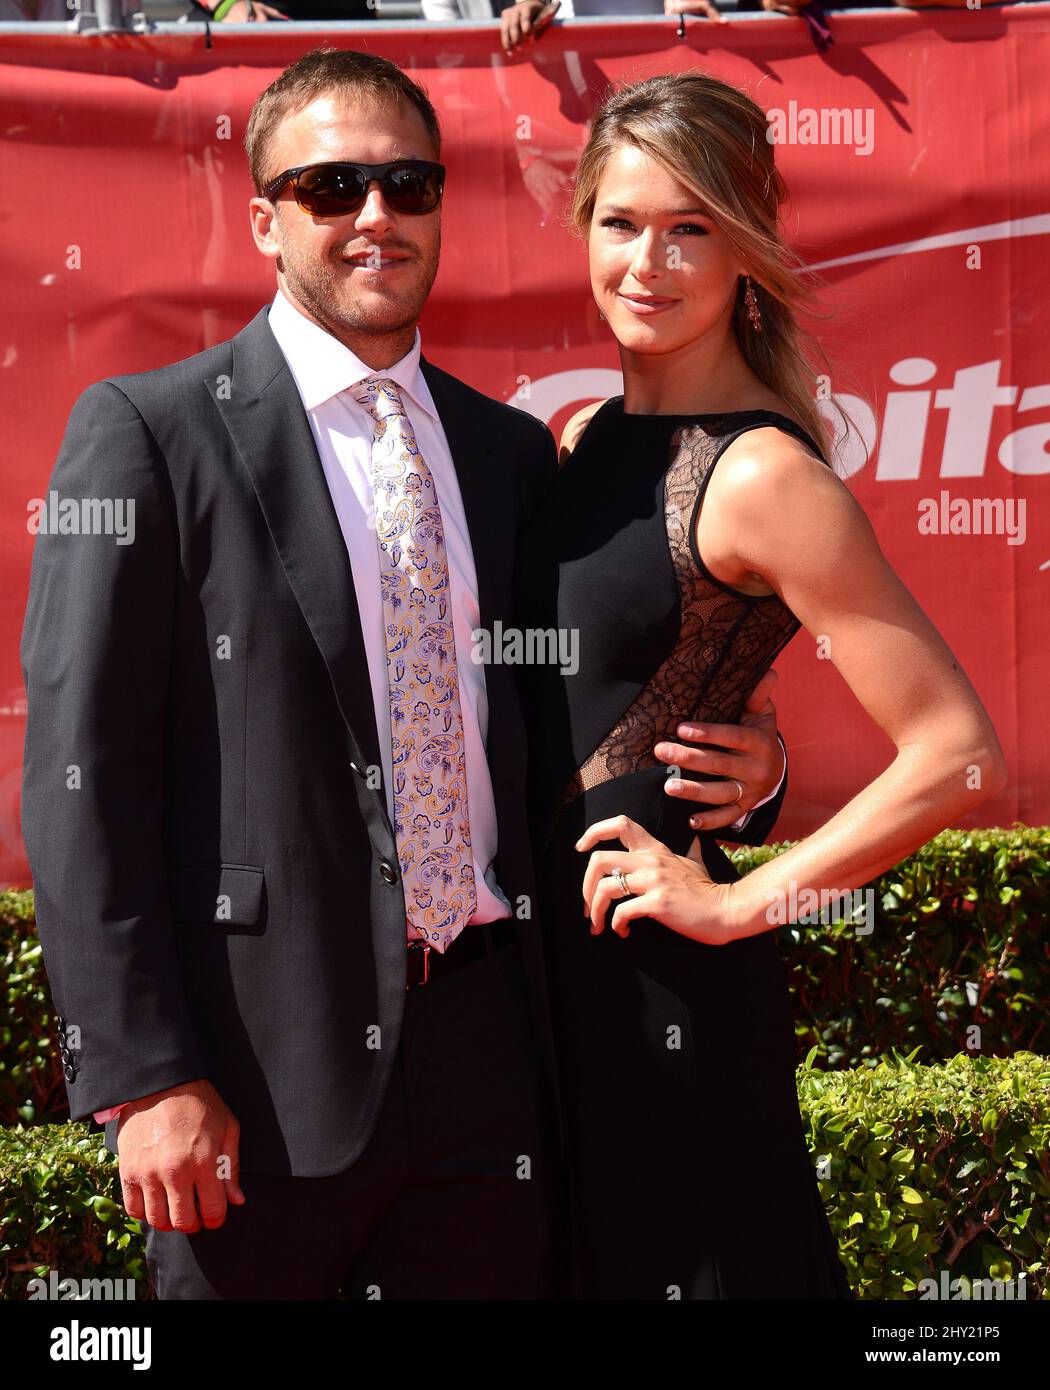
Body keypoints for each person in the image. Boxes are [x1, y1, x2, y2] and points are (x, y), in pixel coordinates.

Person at [19, 47, 786, 1300]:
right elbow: (79, 782)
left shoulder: (506, 453)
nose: (375, 216)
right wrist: (146, 1077)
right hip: (256, 1077)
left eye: (406, 183)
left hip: (496, 1061)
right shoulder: (149, 432)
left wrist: (754, 777)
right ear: (265, 220)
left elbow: (588, 716)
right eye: (330, 186)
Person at [515, 70, 1007, 1299]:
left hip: (659, 986)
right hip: (537, 990)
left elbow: (956, 752)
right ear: (581, 227)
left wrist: (742, 904)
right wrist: (767, 763)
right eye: (622, 223)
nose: (649, 261)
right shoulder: (579, 441)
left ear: (748, 249)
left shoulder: (763, 475)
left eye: (693, 229)